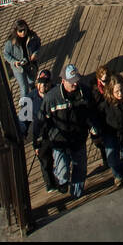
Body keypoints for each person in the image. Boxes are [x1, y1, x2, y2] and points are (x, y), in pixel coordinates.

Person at [39, 62, 99, 199]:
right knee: (63, 171)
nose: (75, 84)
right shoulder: (51, 98)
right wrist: (42, 140)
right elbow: (42, 120)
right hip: (59, 141)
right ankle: (62, 181)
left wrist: (94, 131)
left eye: (77, 81)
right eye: (72, 82)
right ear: (63, 81)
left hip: (78, 138)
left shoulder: (85, 92)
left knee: (80, 168)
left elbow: (91, 114)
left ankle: (76, 195)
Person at [28, 68, 59, 193]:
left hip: (56, 130)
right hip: (41, 134)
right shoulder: (30, 98)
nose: (43, 85)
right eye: (40, 82)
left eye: (45, 82)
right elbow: (26, 121)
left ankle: (62, 178)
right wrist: (34, 142)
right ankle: (50, 184)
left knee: (60, 156)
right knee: (45, 161)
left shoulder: (56, 92)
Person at [3, 19, 41, 102]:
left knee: (31, 82)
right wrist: (14, 62)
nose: (23, 32)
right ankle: (24, 107)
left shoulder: (32, 36)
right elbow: (6, 54)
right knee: (24, 88)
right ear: (16, 31)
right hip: (18, 68)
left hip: (30, 64)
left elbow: (38, 44)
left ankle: (35, 102)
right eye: (20, 30)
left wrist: (35, 53)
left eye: (25, 29)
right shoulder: (11, 42)